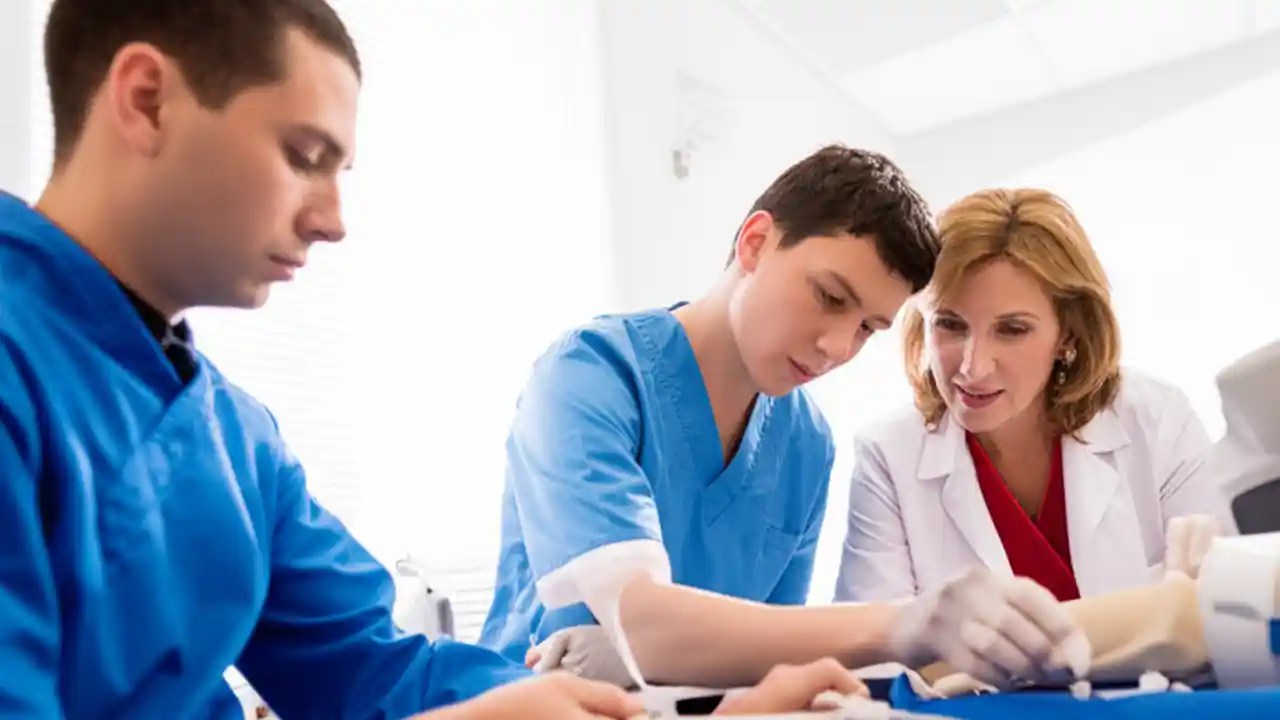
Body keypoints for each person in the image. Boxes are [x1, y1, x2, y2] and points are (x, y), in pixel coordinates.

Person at [0, 1, 881, 718]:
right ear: (147, 99)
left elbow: (378, 675)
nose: (332, 219)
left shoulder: (238, 440)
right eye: (304, 157)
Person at [479, 150, 1092, 692]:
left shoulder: (806, 446)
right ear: (755, 243)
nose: (836, 347)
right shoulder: (591, 376)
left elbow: (767, 668)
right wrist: (907, 622)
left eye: (866, 328)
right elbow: (638, 620)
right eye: (829, 296)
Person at [835, 188, 1235, 608]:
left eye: (1012, 330)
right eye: (950, 324)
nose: (974, 367)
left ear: (1067, 334)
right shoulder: (887, 454)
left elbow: (1220, 604)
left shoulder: (1157, 420)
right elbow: (878, 646)